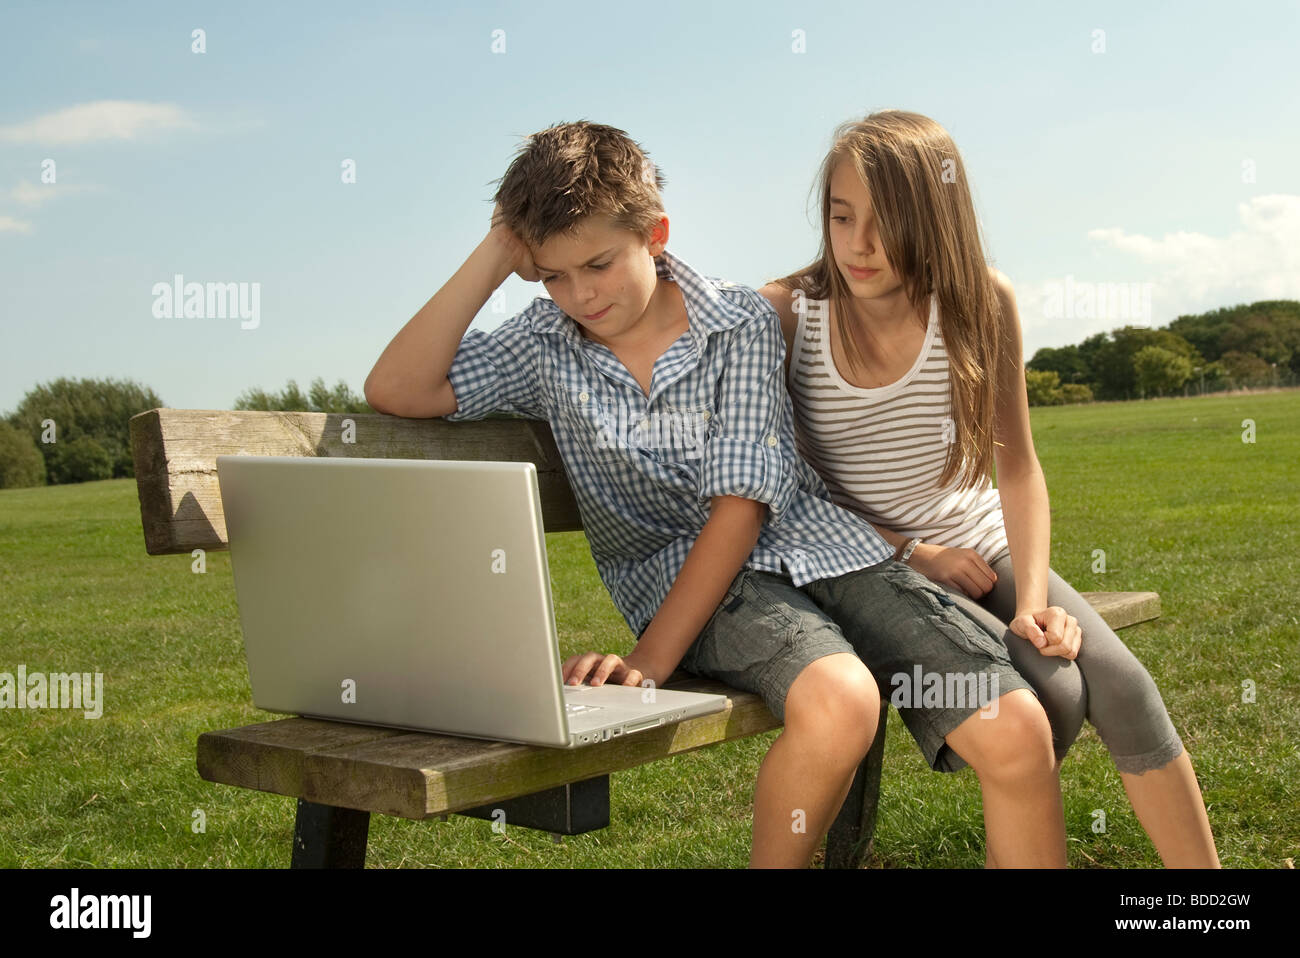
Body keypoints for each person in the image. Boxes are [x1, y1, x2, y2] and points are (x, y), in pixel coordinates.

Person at [365, 120, 1067, 868]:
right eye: (553, 275)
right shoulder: (543, 345)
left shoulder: (738, 322)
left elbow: (743, 504)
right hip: (697, 590)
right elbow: (397, 387)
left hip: (828, 549)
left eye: (598, 264)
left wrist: (649, 660)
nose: (580, 294)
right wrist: (498, 252)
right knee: (843, 702)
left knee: (1019, 731)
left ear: (655, 234)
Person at [758, 109, 1220, 868]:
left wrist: (1035, 604)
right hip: (867, 564)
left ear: (938, 219)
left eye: (887, 223)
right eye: (841, 218)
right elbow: (776, 487)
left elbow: (1018, 467)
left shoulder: (981, 300)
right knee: (1053, 704)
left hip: (985, 545)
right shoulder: (789, 314)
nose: (859, 245)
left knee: (1123, 691)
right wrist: (911, 551)